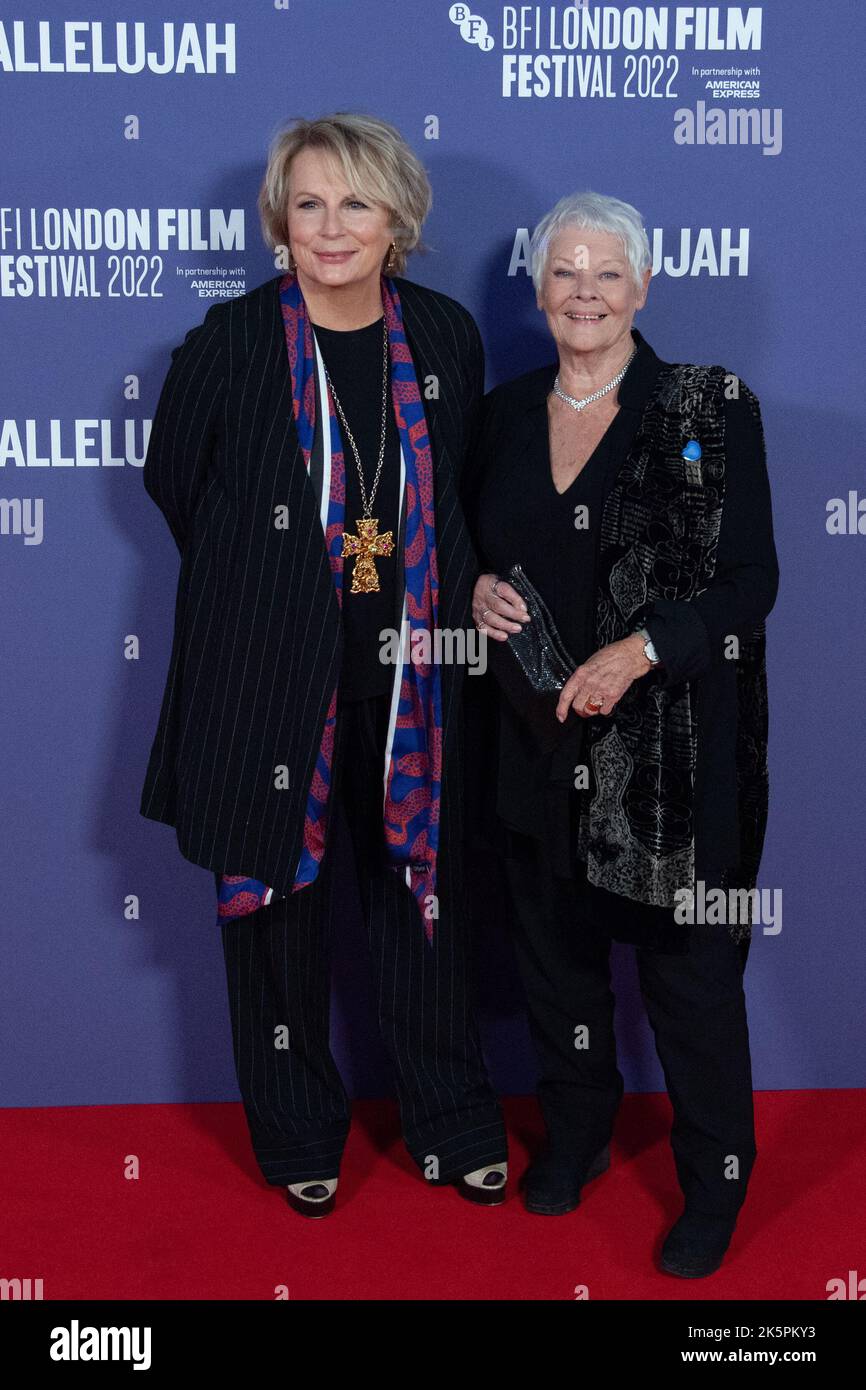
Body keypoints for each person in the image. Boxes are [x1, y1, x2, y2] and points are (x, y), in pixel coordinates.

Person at [139, 113, 507, 1217]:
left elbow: (457, 491)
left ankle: (448, 1119)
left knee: (421, 902)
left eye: (354, 202)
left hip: (412, 680)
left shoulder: (442, 337)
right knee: (275, 913)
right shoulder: (231, 342)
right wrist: (279, 588)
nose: (331, 226)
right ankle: (299, 1130)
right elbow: (177, 489)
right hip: (269, 682)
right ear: (278, 222)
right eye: (308, 203)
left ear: (396, 216)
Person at [467, 190, 778, 1276]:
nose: (585, 291)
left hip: (670, 759)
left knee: (690, 989)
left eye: (607, 273)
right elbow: (478, 547)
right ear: (537, 289)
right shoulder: (502, 414)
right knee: (555, 970)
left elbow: (751, 581)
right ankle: (577, 1139)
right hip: (534, 742)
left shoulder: (703, 406)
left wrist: (642, 649)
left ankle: (712, 1186)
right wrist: (476, 596)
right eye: (564, 272)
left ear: (642, 287)